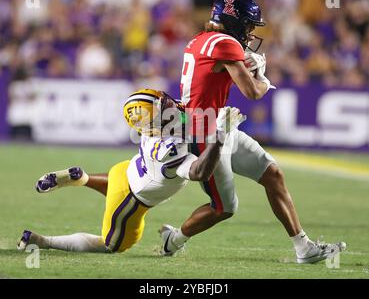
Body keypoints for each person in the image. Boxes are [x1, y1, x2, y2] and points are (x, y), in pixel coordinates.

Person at [159, 0, 346, 263]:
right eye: (247, 24)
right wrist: (262, 76)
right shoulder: (224, 43)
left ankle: (303, 248)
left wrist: (247, 66)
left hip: (219, 123)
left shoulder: (201, 39)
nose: (249, 31)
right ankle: (174, 239)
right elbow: (252, 92)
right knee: (224, 208)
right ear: (232, 21)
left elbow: (216, 73)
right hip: (205, 133)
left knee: (272, 174)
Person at [17, 89, 245, 254]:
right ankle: (43, 241)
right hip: (131, 199)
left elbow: (190, 110)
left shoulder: (154, 126)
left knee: (121, 185)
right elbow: (199, 173)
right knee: (110, 245)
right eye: (163, 107)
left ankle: (82, 178)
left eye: (164, 101)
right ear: (155, 123)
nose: (171, 106)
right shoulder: (169, 149)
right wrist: (220, 137)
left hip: (125, 174)